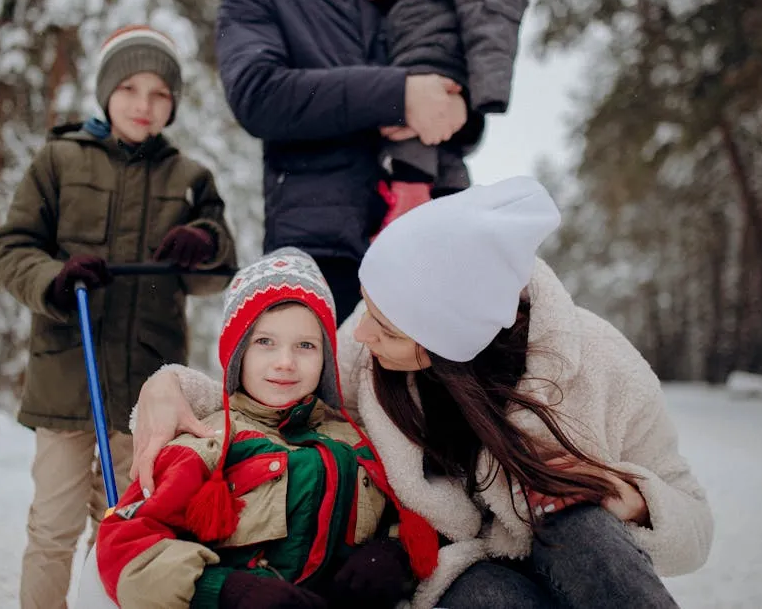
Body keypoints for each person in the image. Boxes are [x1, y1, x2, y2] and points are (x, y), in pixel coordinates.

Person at [129, 177, 713, 608]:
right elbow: (276, 398)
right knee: (492, 602)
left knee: (587, 534)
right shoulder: (367, 357)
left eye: (384, 324)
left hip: (585, 558)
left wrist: (629, 495)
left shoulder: (598, 362)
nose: (358, 332)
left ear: (446, 339)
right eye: (366, 305)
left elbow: (694, 526)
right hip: (464, 570)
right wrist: (168, 384)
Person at [0, 25, 236, 609]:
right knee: (52, 527)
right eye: (129, 88)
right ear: (106, 93)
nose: (143, 105)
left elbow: (219, 269)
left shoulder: (190, 178)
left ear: (173, 103)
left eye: (159, 93)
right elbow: (13, 249)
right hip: (65, 377)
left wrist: (203, 242)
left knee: (128, 523)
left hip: (148, 388)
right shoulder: (58, 159)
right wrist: (55, 277)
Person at [91, 248, 438, 609]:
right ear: (239, 352)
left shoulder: (354, 442)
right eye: (265, 343)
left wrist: (391, 553)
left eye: (305, 345)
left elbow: (405, 521)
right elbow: (125, 546)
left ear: (326, 359)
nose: (285, 362)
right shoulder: (209, 441)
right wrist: (226, 590)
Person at [215, 0, 468, 323]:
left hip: (421, 240)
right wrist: (398, 96)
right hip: (320, 251)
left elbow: (443, 74)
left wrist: (464, 112)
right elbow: (258, 95)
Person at [360, 0, 535, 230]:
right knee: (446, 163)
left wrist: (489, 89)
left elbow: (491, 11)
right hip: (417, 66)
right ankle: (453, 214)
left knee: (413, 150)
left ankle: (414, 209)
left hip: (432, 65)